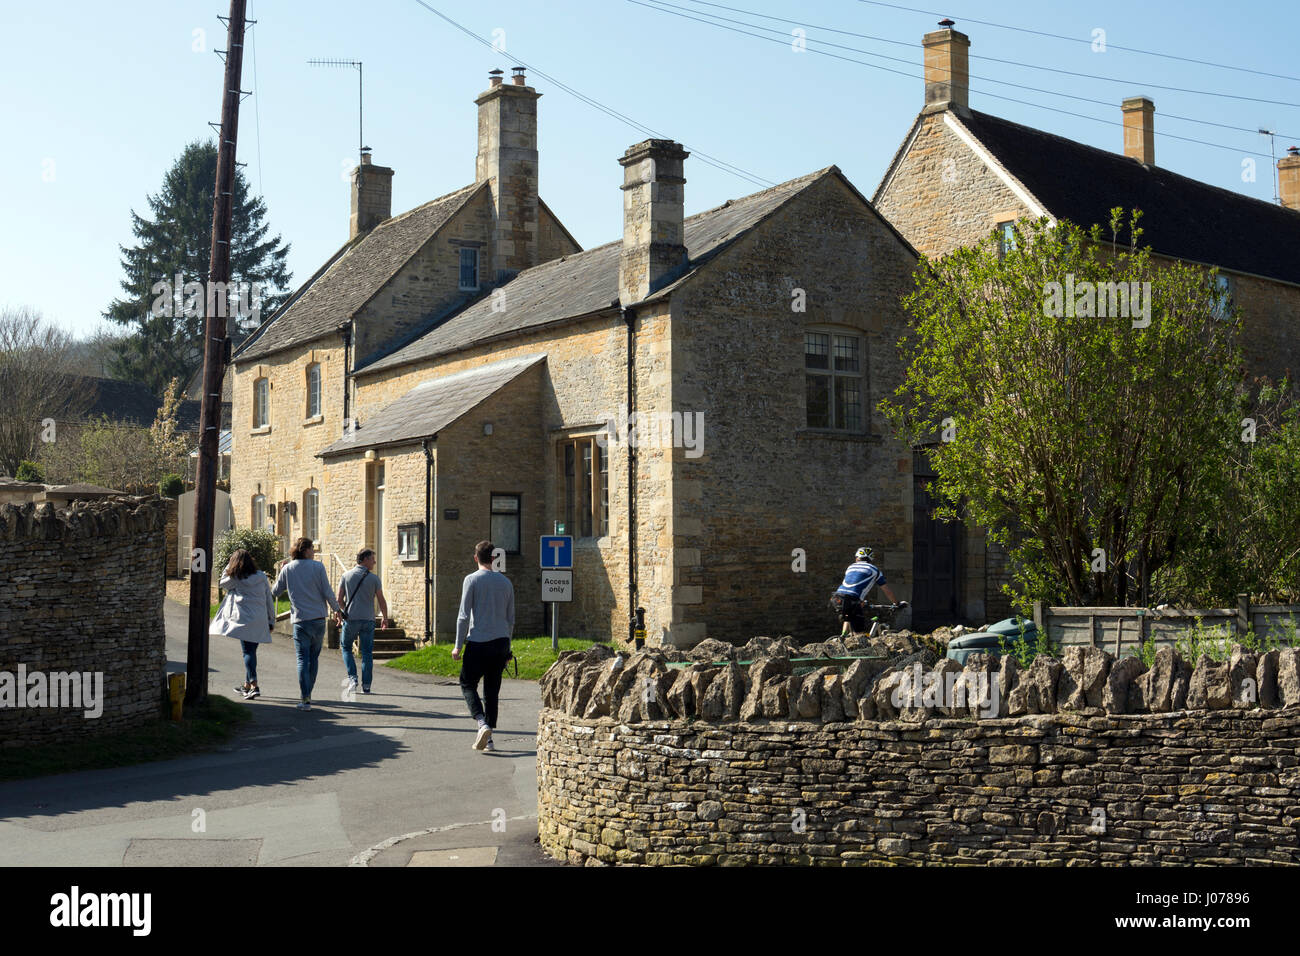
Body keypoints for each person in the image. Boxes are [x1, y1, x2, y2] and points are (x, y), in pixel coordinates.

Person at [452, 540, 515, 753]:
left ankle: (482, 723)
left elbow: (463, 616)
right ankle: (489, 740)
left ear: (476, 558)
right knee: (491, 691)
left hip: (478, 642)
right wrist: (508, 647)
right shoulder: (506, 583)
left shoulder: (471, 580)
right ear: (495, 558)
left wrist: (458, 646)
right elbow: (511, 619)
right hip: (500, 642)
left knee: (467, 683)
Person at [271, 537, 344, 711]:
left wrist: (283, 573)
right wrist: (337, 610)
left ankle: (305, 698)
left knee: (303, 659)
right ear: (305, 550)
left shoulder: (288, 568)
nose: (314, 551)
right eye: (312, 548)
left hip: (300, 620)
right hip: (318, 619)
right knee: (313, 658)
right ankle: (308, 693)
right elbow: (327, 590)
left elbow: (275, 591)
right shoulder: (318, 567)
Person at [210, 548, 276, 700]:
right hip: (260, 620)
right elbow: (268, 599)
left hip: (243, 620)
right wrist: (271, 620)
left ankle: (254, 685)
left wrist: (228, 566)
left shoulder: (236, 578)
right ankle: (247, 685)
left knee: (248, 652)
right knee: (251, 651)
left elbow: (222, 583)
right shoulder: (261, 576)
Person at [337, 548, 390, 695]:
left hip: (351, 619)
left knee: (346, 648)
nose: (374, 562)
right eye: (372, 559)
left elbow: (339, 600)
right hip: (368, 619)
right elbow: (381, 600)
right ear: (365, 559)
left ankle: (352, 678)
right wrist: (384, 618)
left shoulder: (346, 576)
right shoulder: (374, 579)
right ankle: (366, 685)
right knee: (367, 652)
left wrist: (344, 611)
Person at [834, 546, 903, 636]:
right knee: (859, 635)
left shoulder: (850, 567)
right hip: (852, 598)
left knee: (850, 613)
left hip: (837, 597)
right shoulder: (874, 570)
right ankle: (859, 644)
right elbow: (887, 591)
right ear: (871, 558)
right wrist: (897, 603)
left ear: (857, 558)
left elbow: (850, 587)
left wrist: (860, 602)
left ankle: (842, 636)